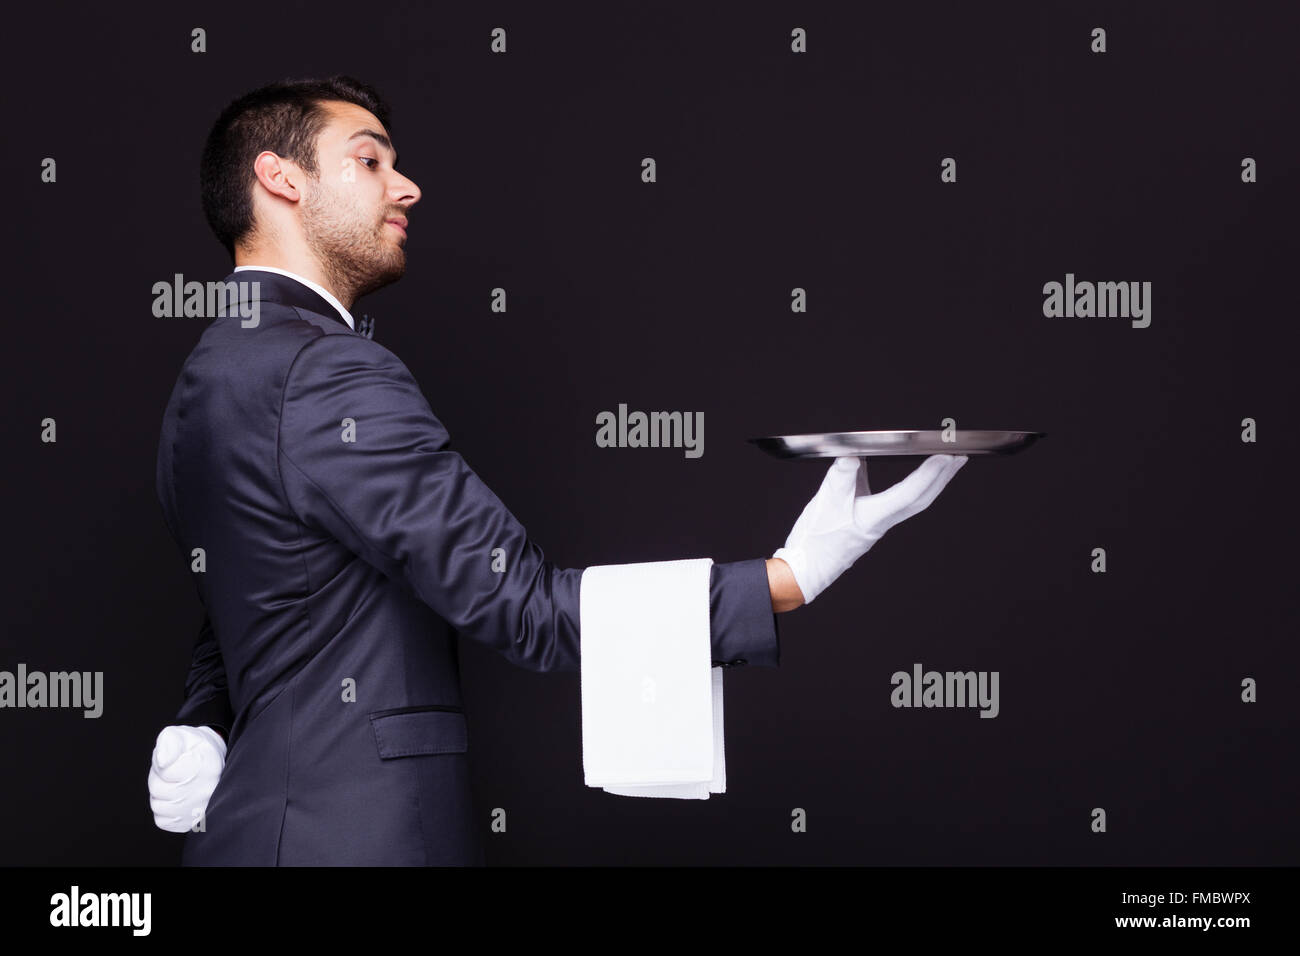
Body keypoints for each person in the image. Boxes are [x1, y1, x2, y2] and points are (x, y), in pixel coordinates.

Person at [147, 76, 968, 865]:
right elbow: (524, 604)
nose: (408, 188)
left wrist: (204, 719)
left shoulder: (206, 378)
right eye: (371, 161)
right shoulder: (330, 375)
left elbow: (258, 595)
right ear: (279, 179)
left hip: (247, 833)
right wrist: (789, 577)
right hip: (355, 840)